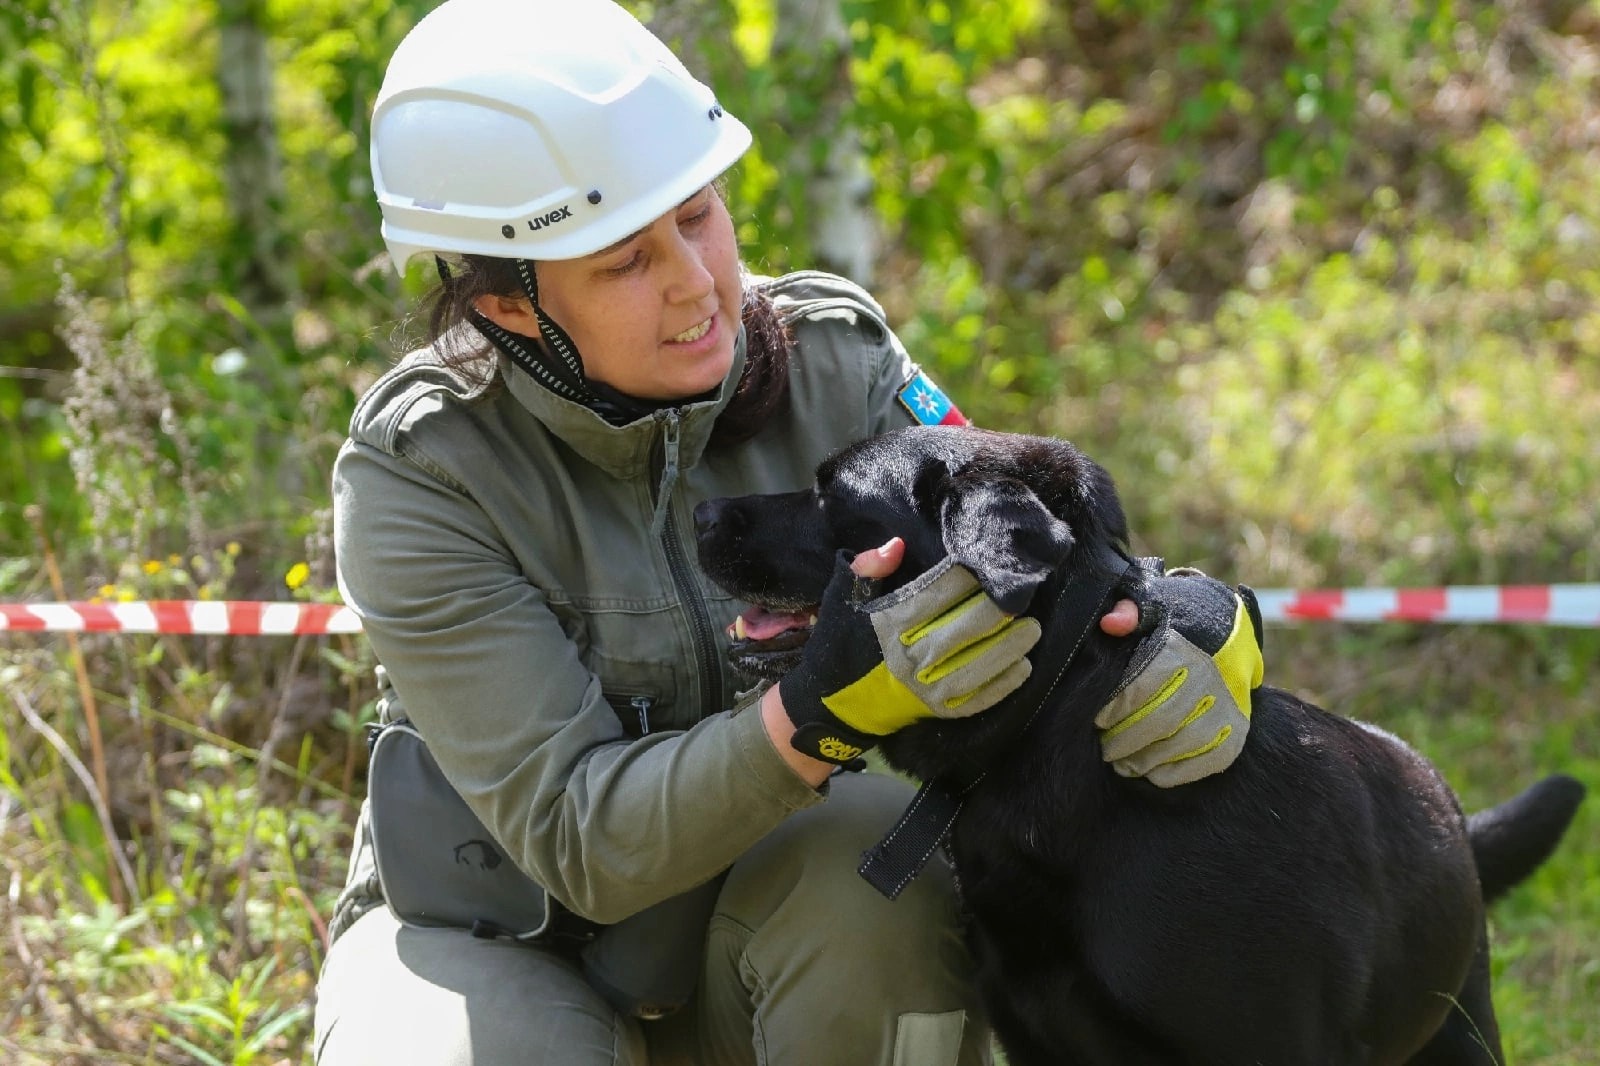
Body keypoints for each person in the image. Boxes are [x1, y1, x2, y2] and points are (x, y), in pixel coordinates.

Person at [311, 1, 1266, 1063]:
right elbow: (579, 840)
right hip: (498, 944)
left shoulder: (834, 360)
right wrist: (818, 707)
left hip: (774, 908)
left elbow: (1033, 546)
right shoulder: (423, 470)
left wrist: (1197, 620)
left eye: (699, 214)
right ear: (510, 311)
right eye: (624, 263)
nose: (695, 282)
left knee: (883, 874)